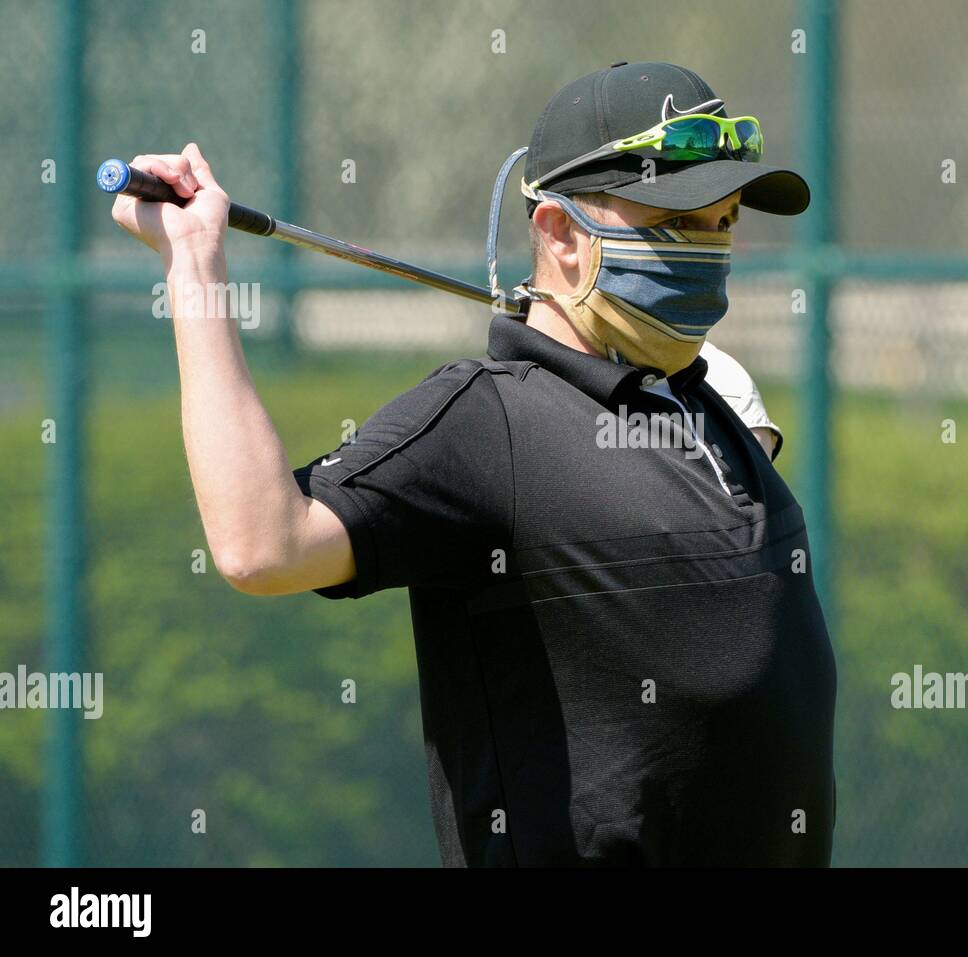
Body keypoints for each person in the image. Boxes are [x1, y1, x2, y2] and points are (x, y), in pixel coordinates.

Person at [110, 61, 836, 867]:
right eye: (677, 222)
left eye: (724, 221)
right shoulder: (487, 423)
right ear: (560, 234)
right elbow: (261, 542)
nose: (712, 250)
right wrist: (193, 267)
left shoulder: (707, 403)